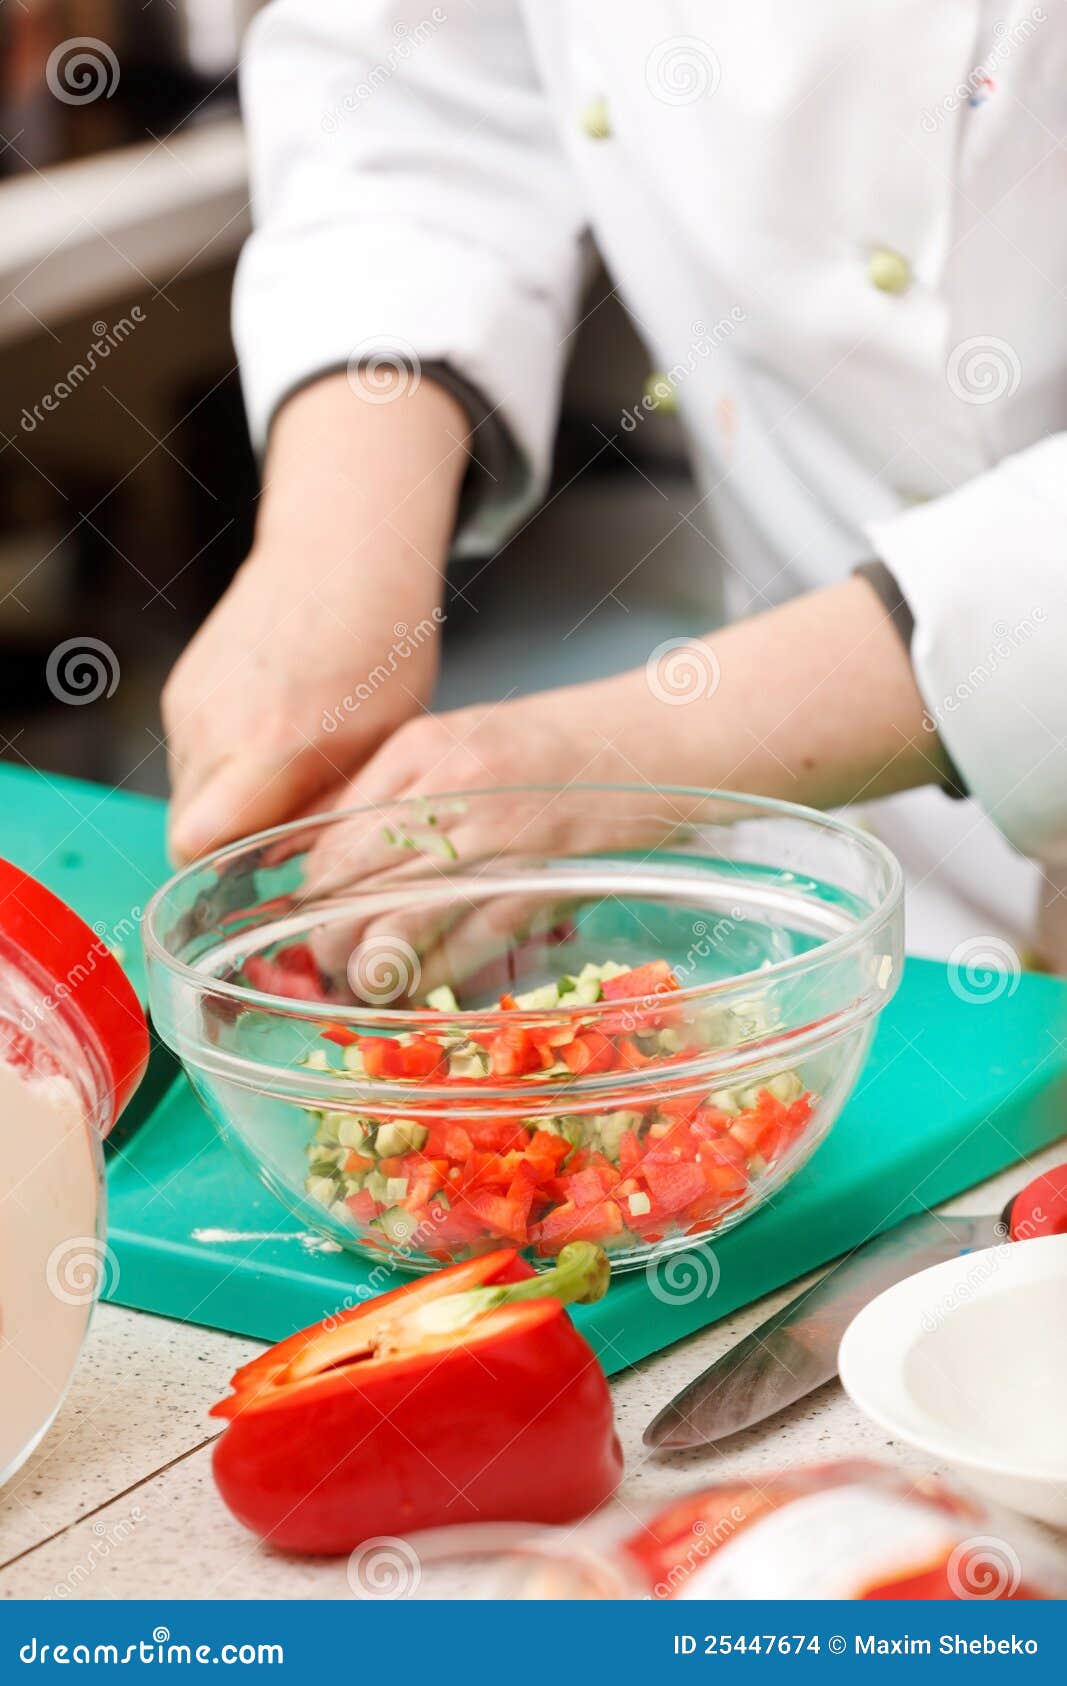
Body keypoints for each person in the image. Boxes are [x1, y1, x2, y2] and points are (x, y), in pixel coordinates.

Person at [163, 2, 1066, 968]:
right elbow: (421, 91)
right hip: (860, 868)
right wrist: (331, 558)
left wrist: (612, 757)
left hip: (787, 745)